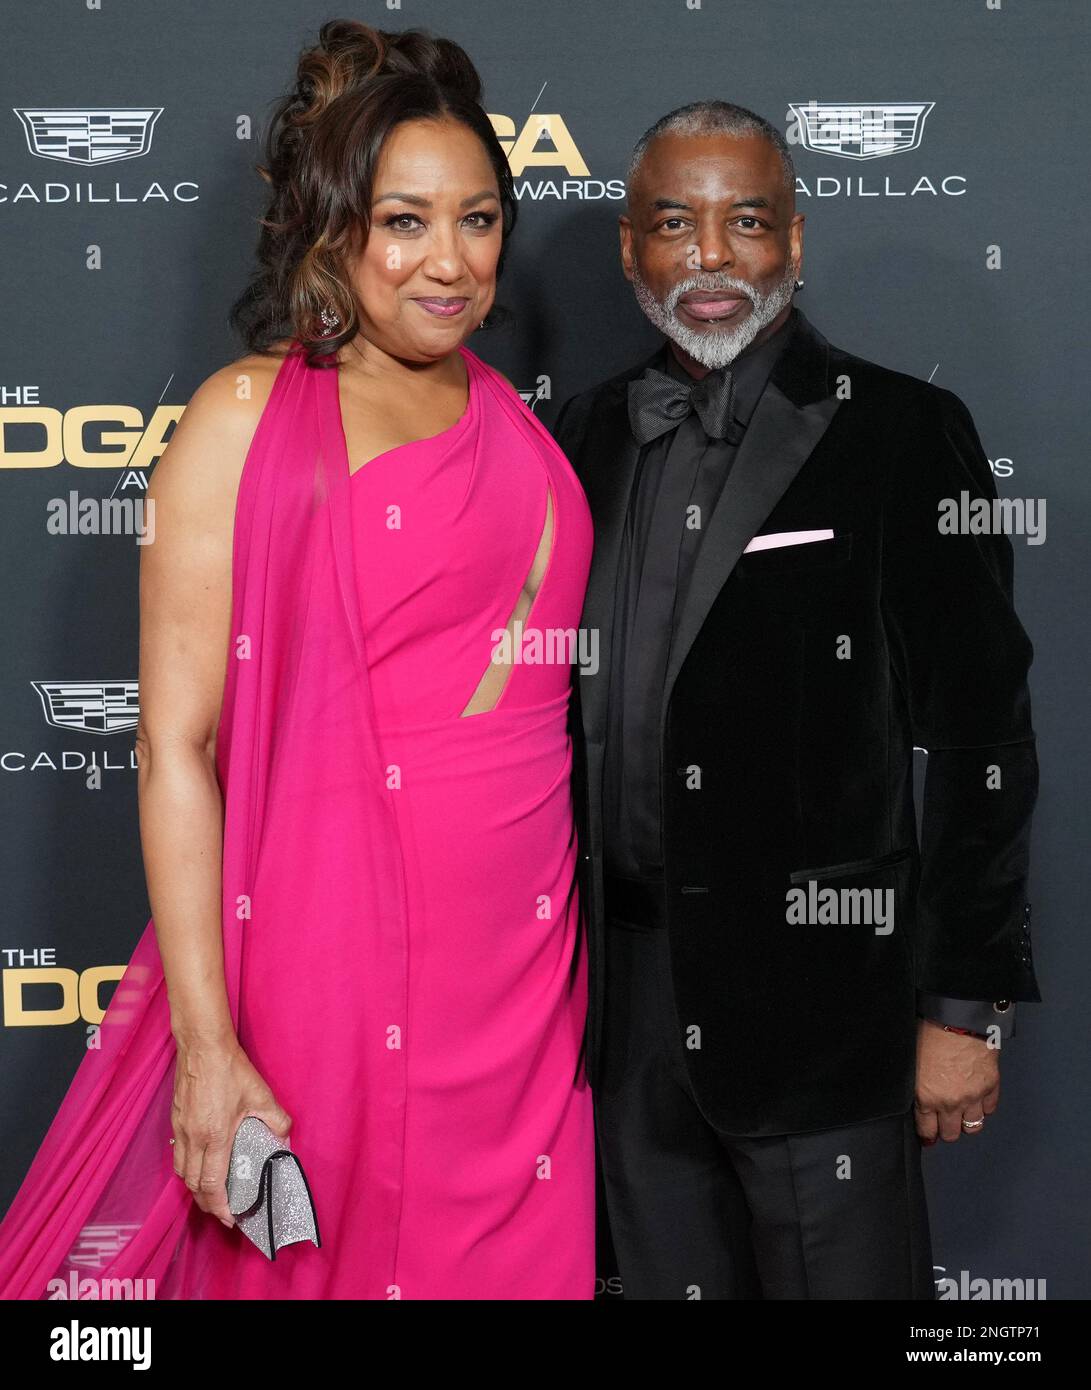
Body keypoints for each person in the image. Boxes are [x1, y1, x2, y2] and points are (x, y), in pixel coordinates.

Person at [0, 21, 594, 1301]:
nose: (449, 261)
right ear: (334, 230)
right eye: (403, 222)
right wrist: (208, 1044)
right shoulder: (246, 419)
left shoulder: (512, 415)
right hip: (332, 959)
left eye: (478, 220)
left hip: (527, 983)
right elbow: (175, 747)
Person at [552, 100, 1040, 1300]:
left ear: (795, 239)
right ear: (629, 246)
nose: (710, 257)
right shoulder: (579, 436)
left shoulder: (905, 435)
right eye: (675, 223)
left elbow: (981, 741)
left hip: (824, 1017)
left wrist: (960, 1010)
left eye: (746, 221)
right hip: (617, 1017)